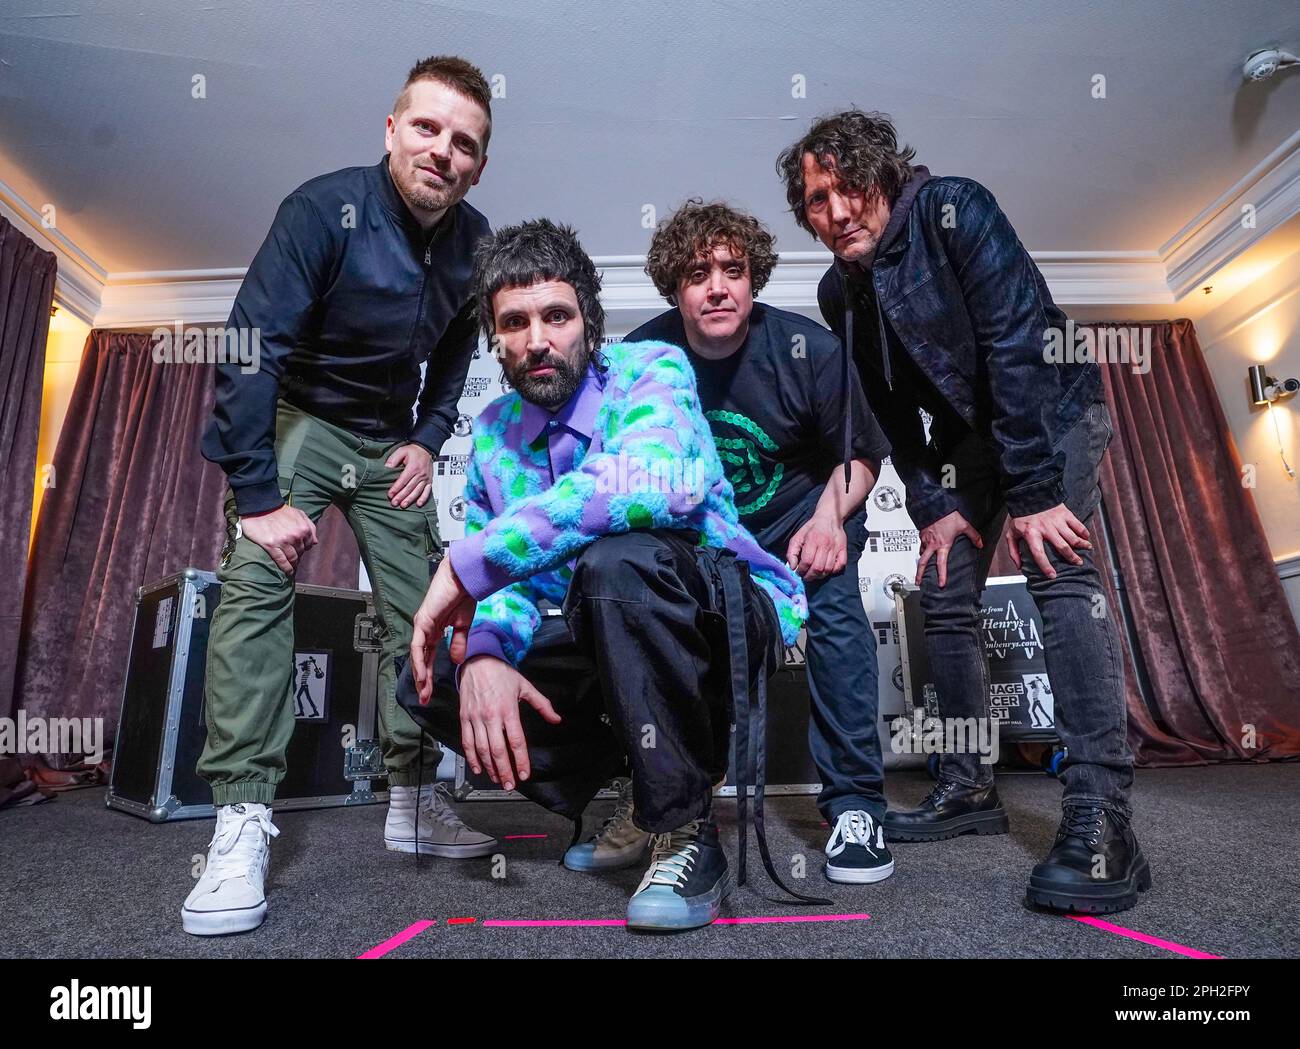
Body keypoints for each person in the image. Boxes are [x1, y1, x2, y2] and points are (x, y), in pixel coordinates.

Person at [778, 109, 1150, 914]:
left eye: (849, 188)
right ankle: (966, 783)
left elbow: (1019, 345)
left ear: (884, 174)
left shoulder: (957, 209)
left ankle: (1101, 810)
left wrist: (1036, 489)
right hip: (963, 447)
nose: (837, 212)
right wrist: (937, 507)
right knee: (945, 594)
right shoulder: (838, 292)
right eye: (816, 199)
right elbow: (883, 415)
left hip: (1051, 412)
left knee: (1058, 571)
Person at [398, 218, 808, 931]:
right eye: (515, 322)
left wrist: (470, 562)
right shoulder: (493, 430)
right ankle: (640, 782)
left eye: (557, 315)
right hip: (611, 624)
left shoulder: (654, 369)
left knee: (616, 560)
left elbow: (650, 484)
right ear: (495, 337)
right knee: (437, 667)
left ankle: (684, 827)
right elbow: (517, 585)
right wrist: (488, 652)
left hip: (728, 616)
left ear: (590, 322)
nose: (537, 340)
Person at [182, 56, 497, 937]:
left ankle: (411, 798)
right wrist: (255, 494)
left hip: (388, 439)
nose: (443, 151)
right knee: (254, 580)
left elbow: (456, 358)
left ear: (478, 164)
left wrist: (429, 439)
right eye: (427, 128)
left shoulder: (478, 246)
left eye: (464, 142)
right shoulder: (323, 207)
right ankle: (240, 817)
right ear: (391, 130)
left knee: (426, 612)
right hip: (302, 416)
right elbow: (252, 344)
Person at [617, 200, 894, 885]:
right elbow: (619, 470)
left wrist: (830, 518)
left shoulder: (811, 350)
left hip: (803, 522)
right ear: (673, 286)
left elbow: (860, 456)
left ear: (753, 278)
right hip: (703, 534)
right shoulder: (639, 359)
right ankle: (663, 802)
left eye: (733, 270)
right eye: (698, 272)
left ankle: (856, 806)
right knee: (633, 595)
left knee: (834, 611)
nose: (718, 286)